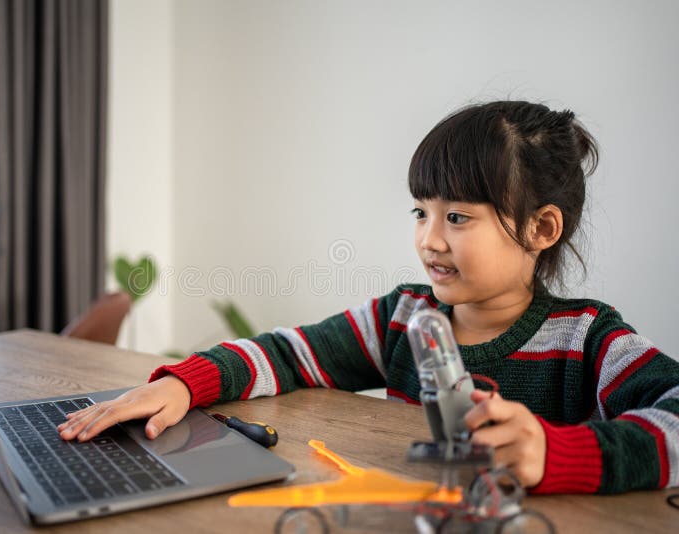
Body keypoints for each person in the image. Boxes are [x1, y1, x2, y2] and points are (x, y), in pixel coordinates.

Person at [58, 100, 679, 494]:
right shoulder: (405, 317)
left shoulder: (586, 339)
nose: (428, 239)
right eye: (421, 211)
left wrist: (556, 452)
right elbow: (288, 353)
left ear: (542, 229)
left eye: (458, 217)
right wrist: (183, 384)